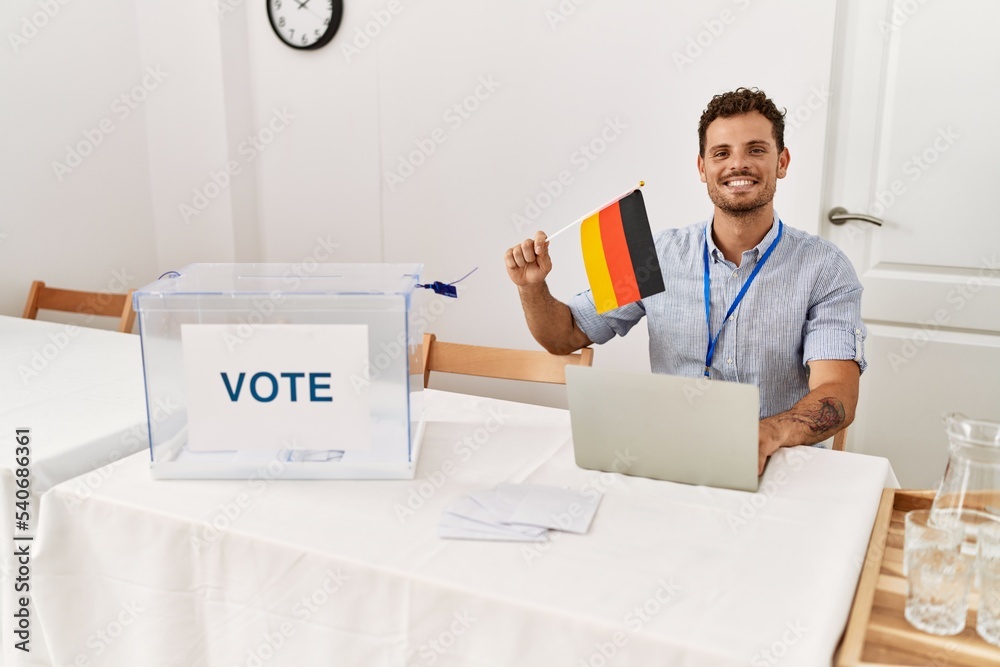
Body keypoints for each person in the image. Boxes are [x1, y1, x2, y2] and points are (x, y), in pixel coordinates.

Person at [503, 87, 866, 474]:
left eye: (756, 150)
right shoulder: (653, 253)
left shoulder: (825, 268)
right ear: (701, 167)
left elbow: (836, 393)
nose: (738, 165)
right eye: (721, 153)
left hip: (778, 465)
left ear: (782, 161)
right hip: (671, 460)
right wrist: (531, 287)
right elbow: (566, 335)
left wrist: (768, 433)